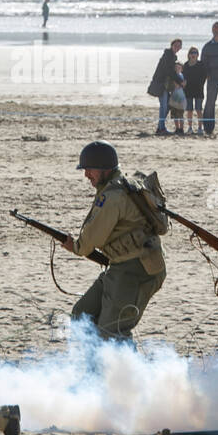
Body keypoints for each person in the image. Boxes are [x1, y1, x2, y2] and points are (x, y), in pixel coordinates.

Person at [61, 141, 166, 341]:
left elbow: (87, 243)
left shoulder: (112, 197)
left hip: (136, 270)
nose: (86, 175)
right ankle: (93, 368)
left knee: (112, 333)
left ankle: (126, 372)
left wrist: (74, 246)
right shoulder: (122, 186)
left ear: (104, 169)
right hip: (122, 267)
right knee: (82, 315)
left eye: (89, 169)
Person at [147, 39, 182, 135]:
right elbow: (169, 72)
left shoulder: (173, 56)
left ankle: (160, 126)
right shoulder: (168, 55)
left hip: (166, 85)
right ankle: (161, 128)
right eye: (176, 45)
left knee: (166, 106)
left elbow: (171, 72)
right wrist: (180, 81)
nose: (177, 47)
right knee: (164, 106)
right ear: (172, 45)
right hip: (161, 84)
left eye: (179, 46)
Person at [182, 46, 207, 134]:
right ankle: (190, 128)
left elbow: (204, 76)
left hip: (198, 90)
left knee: (199, 109)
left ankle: (200, 128)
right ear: (188, 55)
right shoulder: (185, 65)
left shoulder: (201, 64)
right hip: (188, 91)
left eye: (195, 53)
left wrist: (200, 85)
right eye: (192, 53)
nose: (193, 54)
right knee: (189, 110)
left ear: (197, 55)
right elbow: (183, 77)